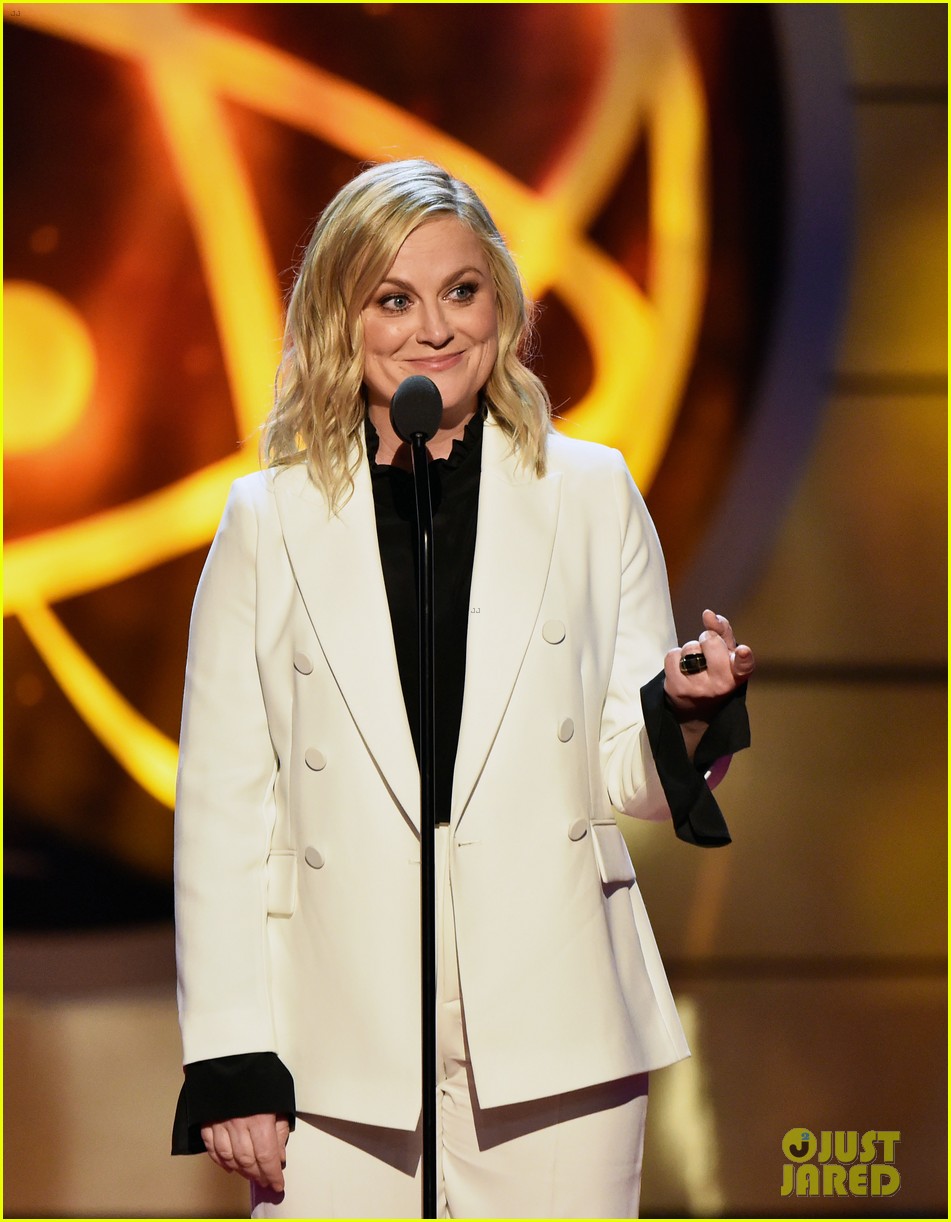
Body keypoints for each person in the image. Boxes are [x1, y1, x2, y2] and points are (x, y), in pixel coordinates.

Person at [171, 158, 754, 1218]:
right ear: (340, 320)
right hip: (329, 1040)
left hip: (556, 1024)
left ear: (501, 303)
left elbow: (624, 776)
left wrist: (683, 711)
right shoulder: (267, 521)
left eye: (461, 290)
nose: (434, 329)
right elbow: (220, 808)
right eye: (393, 299)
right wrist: (229, 1053)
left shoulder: (589, 493)